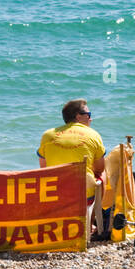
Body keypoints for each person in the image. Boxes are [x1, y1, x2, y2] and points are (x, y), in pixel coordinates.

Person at [38, 98, 106, 236]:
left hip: (54, 194)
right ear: (78, 116)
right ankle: (90, 224)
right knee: (103, 175)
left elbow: (44, 168)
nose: (91, 119)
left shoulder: (47, 135)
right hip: (82, 195)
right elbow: (100, 168)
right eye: (88, 114)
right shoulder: (93, 135)